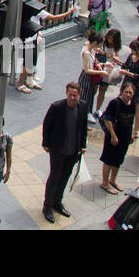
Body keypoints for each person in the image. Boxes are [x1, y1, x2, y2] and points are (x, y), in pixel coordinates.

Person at [40, 82, 87, 223]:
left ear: (79, 95)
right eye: (71, 95)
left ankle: (57, 202)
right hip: (58, 149)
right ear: (66, 93)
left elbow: (83, 126)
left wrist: (83, 145)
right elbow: (47, 125)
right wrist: (46, 143)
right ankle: (47, 206)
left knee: (65, 177)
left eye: (75, 95)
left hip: (73, 150)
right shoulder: (56, 107)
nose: (73, 98)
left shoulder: (83, 106)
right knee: (54, 177)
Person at [98, 82, 136, 194]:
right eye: (126, 92)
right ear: (122, 91)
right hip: (113, 135)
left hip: (125, 135)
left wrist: (132, 134)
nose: (128, 95)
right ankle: (105, 182)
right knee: (109, 159)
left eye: (130, 92)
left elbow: (131, 120)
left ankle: (113, 179)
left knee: (119, 159)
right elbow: (107, 119)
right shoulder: (115, 103)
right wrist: (113, 135)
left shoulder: (132, 104)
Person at [120, 36, 139, 143]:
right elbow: (126, 65)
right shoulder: (131, 56)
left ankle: (135, 130)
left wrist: (126, 73)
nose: (132, 52)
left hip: (137, 85)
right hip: (127, 83)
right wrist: (118, 63)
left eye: (134, 50)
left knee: (137, 107)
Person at [76, 29, 106, 123]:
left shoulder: (90, 47)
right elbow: (87, 70)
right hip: (86, 77)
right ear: (96, 42)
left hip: (90, 77)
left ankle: (88, 112)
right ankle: (84, 115)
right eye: (100, 44)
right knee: (85, 96)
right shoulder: (86, 53)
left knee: (90, 95)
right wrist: (101, 73)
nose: (101, 47)